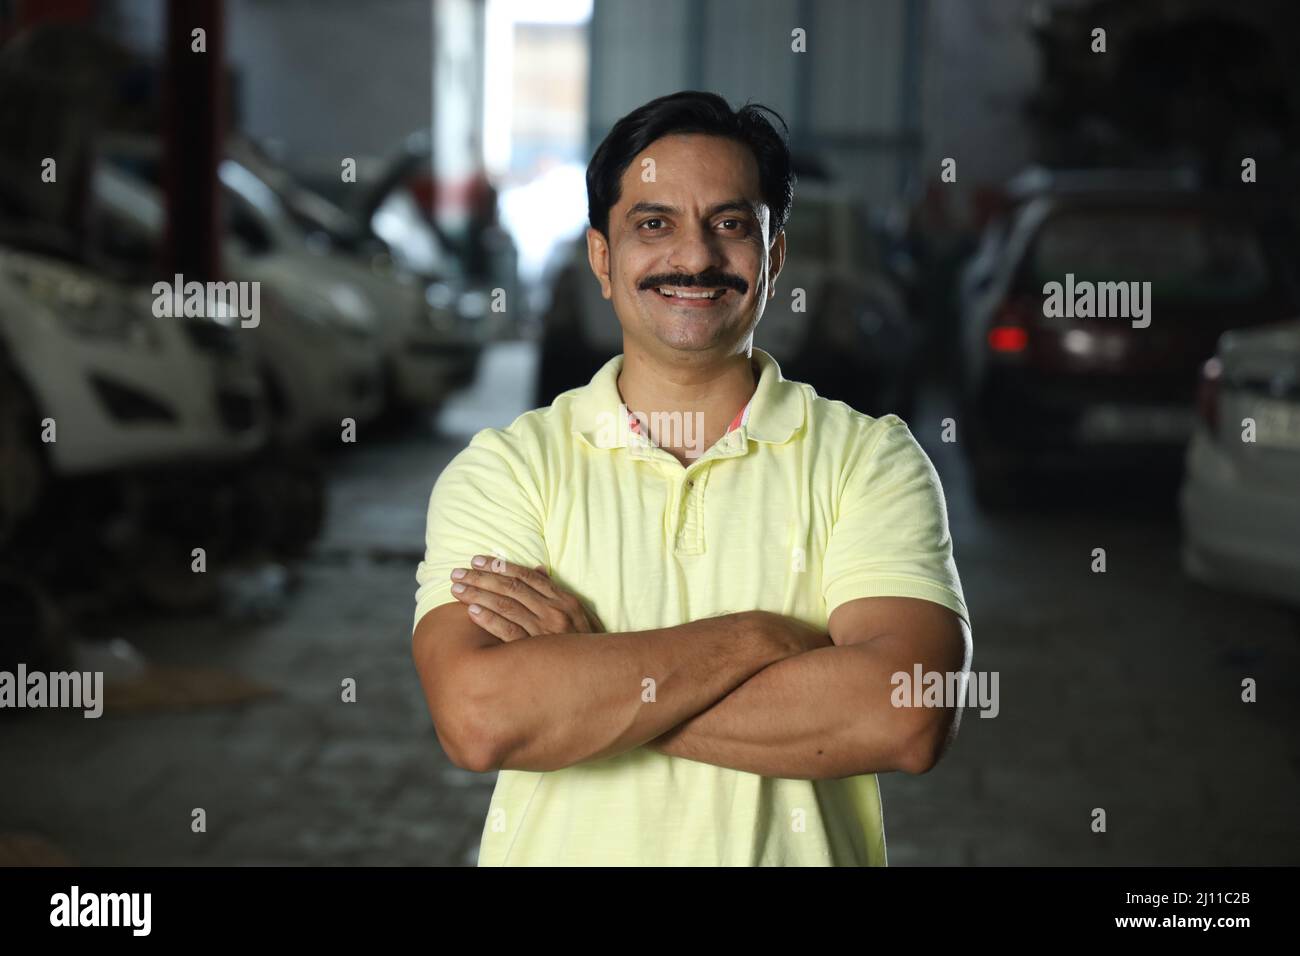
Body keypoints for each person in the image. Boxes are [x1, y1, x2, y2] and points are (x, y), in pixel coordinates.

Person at [411, 90, 972, 866]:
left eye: (731, 225)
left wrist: (592, 672)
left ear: (773, 257)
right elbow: (477, 717)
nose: (696, 257)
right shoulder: (508, 470)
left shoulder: (867, 460)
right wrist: (759, 639)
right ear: (602, 258)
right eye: (654, 223)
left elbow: (904, 715)